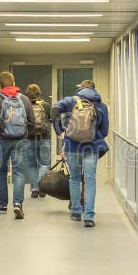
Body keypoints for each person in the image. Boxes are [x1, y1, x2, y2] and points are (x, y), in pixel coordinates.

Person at [53, 79, 109, 227]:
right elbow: (104, 131)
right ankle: (89, 217)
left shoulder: (70, 101)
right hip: (91, 148)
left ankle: (76, 212)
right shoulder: (101, 106)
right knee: (89, 181)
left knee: (74, 179)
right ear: (94, 90)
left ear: (81, 89)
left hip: (72, 146)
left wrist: (60, 131)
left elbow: (54, 109)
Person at [0, 71, 35, 219]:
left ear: (0, 85)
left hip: (2, 140)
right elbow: (32, 122)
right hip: (20, 140)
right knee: (18, 172)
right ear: (14, 83)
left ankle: (2, 205)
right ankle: (18, 204)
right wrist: (24, 135)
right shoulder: (24, 99)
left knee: (2, 171)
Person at [25, 83, 52, 198]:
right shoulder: (45, 105)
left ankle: (34, 190)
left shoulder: (25, 105)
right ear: (39, 93)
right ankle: (41, 187)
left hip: (29, 138)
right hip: (44, 137)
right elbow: (51, 119)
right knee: (44, 164)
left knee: (32, 165)